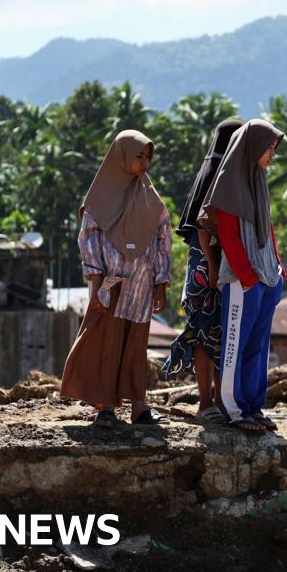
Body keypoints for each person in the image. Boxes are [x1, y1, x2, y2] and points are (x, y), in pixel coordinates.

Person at [61, 130, 171, 428]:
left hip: (141, 288)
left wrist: (161, 283)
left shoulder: (151, 198)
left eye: (148, 157)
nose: (144, 162)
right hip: (112, 286)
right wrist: (96, 285)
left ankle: (139, 407)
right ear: (121, 157)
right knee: (107, 346)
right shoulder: (100, 198)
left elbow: (163, 239)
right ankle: (105, 407)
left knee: (136, 348)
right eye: (139, 156)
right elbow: (88, 240)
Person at [194, 119, 286, 433]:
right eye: (270, 146)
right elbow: (230, 236)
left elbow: (268, 229)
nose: (273, 153)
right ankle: (233, 410)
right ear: (253, 146)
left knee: (259, 347)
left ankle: (253, 406)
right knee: (235, 345)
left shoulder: (258, 180)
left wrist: (278, 268)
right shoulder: (231, 182)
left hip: (266, 277)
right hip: (241, 279)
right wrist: (246, 277)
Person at [161, 119, 243, 424]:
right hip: (209, 269)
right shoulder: (220, 176)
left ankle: (217, 403)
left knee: (212, 335)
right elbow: (203, 225)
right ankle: (209, 403)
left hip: (207, 267)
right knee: (208, 336)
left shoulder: (211, 172)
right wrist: (211, 264)